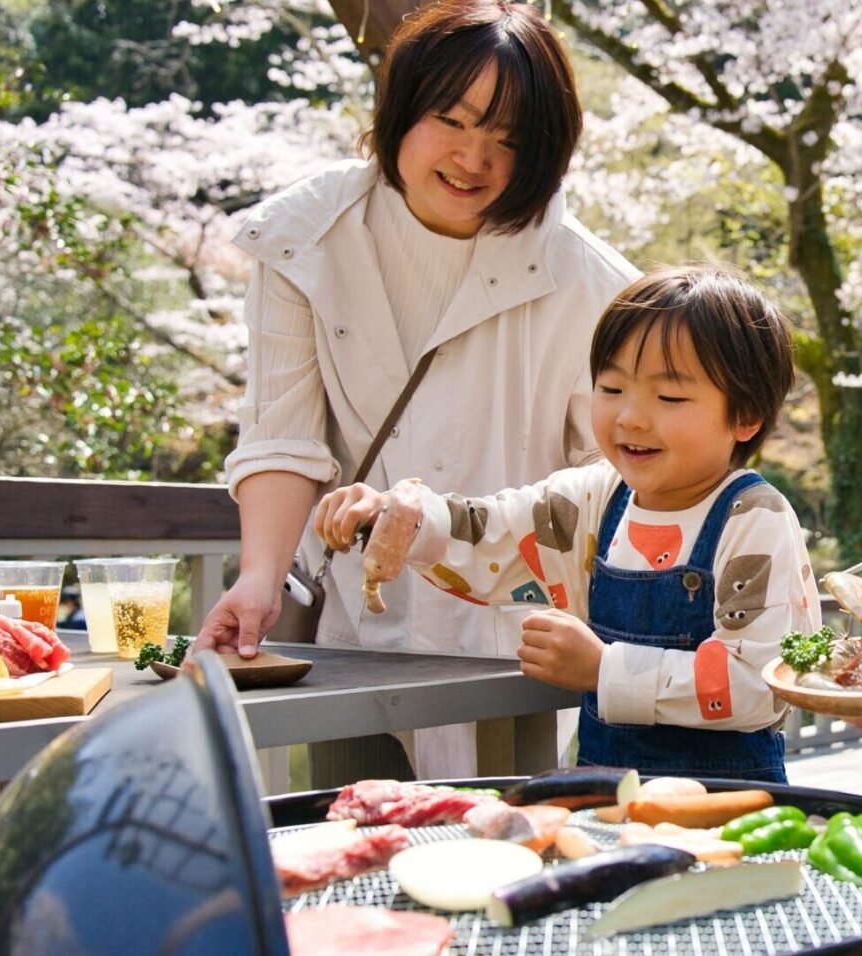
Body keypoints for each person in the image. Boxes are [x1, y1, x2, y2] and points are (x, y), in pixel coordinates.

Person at [194, 0, 639, 778]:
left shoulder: (593, 282)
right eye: (453, 120)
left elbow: (617, 476)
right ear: (401, 108)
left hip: (514, 645)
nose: (475, 158)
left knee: (501, 866)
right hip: (348, 638)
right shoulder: (307, 235)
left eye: (509, 139)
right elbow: (282, 433)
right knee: (346, 842)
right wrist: (259, 580)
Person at [314, 266, 819, 782]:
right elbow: (489, 531)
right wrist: (397, 516)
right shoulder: (595, 497)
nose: (631, 418)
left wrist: (604, 670)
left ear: (745, 417)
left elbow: (762, 683)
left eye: (669, 398)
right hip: (607, 795)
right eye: (612, 387)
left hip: (730, 804)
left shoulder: (754, 519)